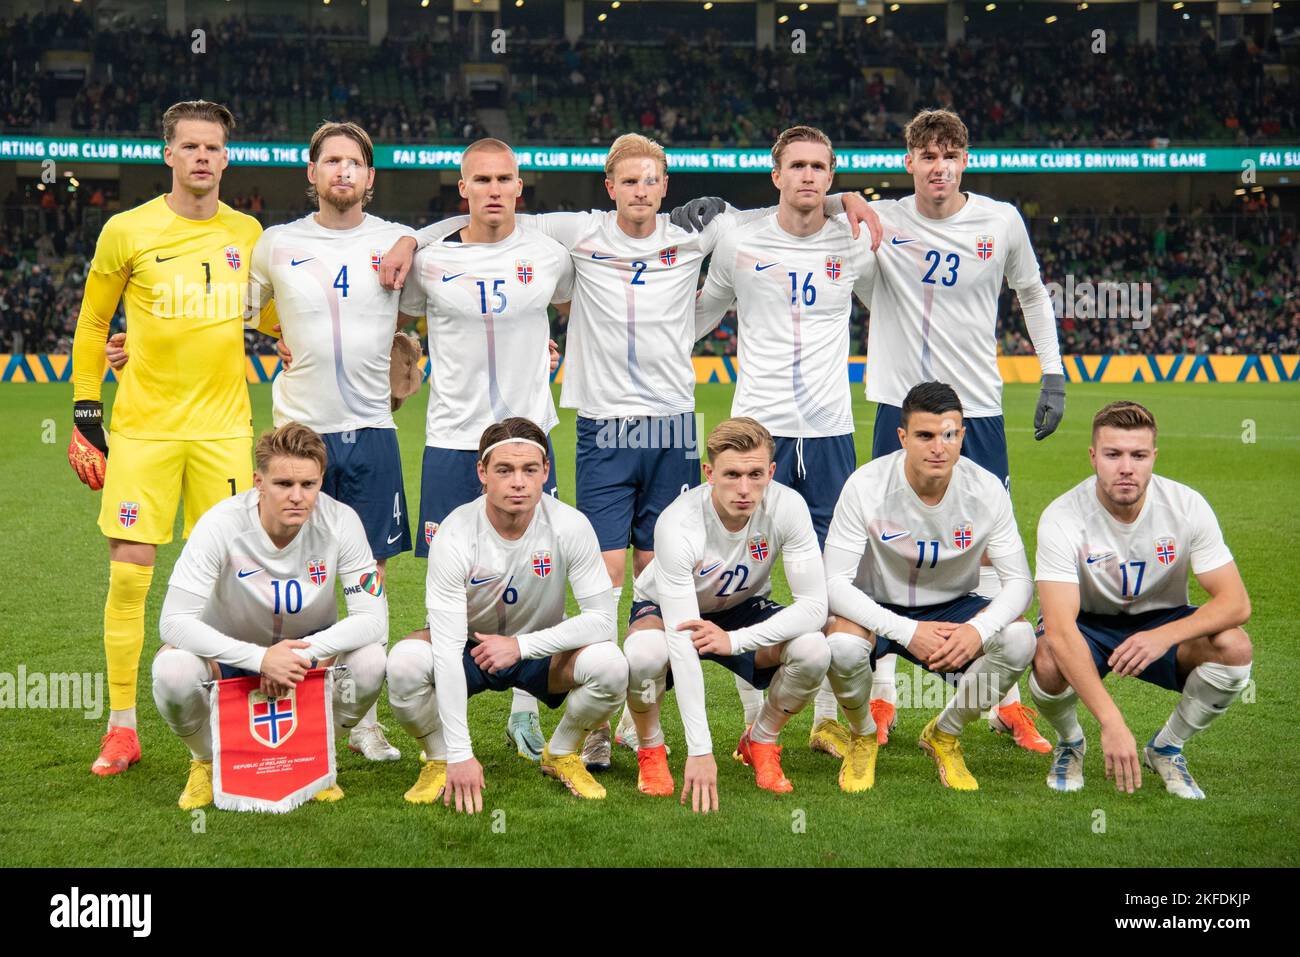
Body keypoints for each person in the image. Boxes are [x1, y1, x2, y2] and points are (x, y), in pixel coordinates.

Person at [380, 133, 881, 770]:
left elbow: (782, 208)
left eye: (652, 181)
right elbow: (488, 214)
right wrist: (411, 239)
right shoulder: (580, 234)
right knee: (606, 573)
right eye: (629, 181)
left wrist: (842, 199)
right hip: (604, 428)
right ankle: (597, 707)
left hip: (673, 426)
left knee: (665, 574)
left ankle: (666, 717)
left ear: (665, 187)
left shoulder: (697, 233)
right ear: (609, 187)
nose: (641, 191)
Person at [106, 120, 417, 762]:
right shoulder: (275, 243)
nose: (341, 172)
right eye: (329, 161)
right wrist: (141, 340)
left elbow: (461, 260)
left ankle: (353, 719)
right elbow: (224, 312)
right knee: (287, 558)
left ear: (370, 175)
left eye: (353, 163)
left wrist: (416, 236)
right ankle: (257, 675)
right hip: (298, 438)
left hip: (374, 432)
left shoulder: (393, 241)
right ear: (312, 173)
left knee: (366, 572)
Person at [67, 100, 275, 777]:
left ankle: (234, 720)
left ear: (226, 156)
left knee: (235, 581)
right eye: (190, 147)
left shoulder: (247, 231)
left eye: (213, 147)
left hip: (222, 431)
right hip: (145, 430)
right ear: (169, 154)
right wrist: (85, 414)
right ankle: (122, 727)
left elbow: (277, 314)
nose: (202, 158)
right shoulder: (125, 230)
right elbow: (94, 323)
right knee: (130, 572)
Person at [857, 109, 1064, 750]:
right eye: (927, 154)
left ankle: (1001, 697)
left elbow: (1032, 292)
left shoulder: (1000, 221)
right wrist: (844, 198)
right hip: (897, 403)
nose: (939, 165)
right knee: (879, 546)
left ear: (964, 161)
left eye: (950, 154)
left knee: (991, 550)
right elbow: (819, 219)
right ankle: (883, 698)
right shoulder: (881, 219)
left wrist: (1052, 373)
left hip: (974, 407)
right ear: (910, 162)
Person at [693, 125, 875, 760]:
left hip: (829, 434)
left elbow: (896, 304)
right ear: (776, 176)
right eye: (795, 165)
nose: (806, 176)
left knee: (831, 575)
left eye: (819, 168)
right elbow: (701, 312)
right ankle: (754, 719)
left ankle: (829, 714)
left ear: (830, 177)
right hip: (757, 435)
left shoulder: (853, 242)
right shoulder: (741, 241)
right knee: (748, 574)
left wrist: (851, 201)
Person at [395, 138, 573, 762]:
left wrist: (561, 358)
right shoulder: (428, 262)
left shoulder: (549, 254)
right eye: (481, 180)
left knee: (539, 576)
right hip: (451, 439)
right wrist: (414, 238)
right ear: (462, 188)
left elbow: (592, 302)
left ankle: (526, 706)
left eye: (505, 179)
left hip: (529, 439)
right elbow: (388, 315)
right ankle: (447, 724)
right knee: (449, 580)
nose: (494, 190)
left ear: (520, 187)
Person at [384, 418, 628, 811]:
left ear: (545, 471)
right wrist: (462, 753)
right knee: (403, 665)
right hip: (468, 647)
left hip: (538, 651)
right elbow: (445, 648)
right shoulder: (456, 532)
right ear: (482, 473)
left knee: (612, 666)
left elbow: (602, 621)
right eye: (504, 470)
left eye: (530, 469)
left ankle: (561, 752)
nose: (519, 482)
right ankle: (440, 757)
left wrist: (521, 645)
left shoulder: (570, 525)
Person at [151, 423, 389, 809]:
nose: (297, 497)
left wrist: (303, 654)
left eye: (309, 485)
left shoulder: (342, 521)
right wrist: (260, 659)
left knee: (371, 659)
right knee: (171, 671)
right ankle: (206, 761)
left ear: (321, 481)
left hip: (307, 658)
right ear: (258, 481)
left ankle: (317, 756)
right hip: (228, 656)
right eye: (283, 484)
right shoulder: (220, 523)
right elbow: (173, 622)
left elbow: (372, 619)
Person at [1030, 401, 1252, 799]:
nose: (1126, 467)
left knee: (1234, 647)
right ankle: (1070, 742)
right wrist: (1111, 722)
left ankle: (1166, 747)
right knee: (1046, 657)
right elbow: (1061, 630)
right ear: (1094, 457)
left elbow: (1236, 603)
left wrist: (1163, 636)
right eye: (1113, 455)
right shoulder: (1062, 516)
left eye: (1138, 455)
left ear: (1154, 457)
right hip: (1087, 623)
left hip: (1161, 621)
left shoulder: (1186, 506)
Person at [823, 382, 1037, 791]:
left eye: (949, 434)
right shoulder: (866, 486)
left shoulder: (986, 489)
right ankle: (863, 734)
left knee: (1019, 639)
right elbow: (833, 583)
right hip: (878, 605)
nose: (939, 447)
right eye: (924, 435)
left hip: (952, 607)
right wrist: (906, 631)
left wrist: (978, 629)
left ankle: (945, 733)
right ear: (902, 437)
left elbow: (1019, 583)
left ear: (962, 435)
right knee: (842, 647)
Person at [624, 417, 829, 811]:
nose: (744, 488)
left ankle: (761, 740)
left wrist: (733, 641)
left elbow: (815, 607)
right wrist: (700, 751)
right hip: (670, 608)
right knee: (644, 655)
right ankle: (651, 747)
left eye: (755, 474)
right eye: (731, 475)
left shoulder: (788, 506)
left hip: (742, 608)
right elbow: (684, 643)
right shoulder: (678, 523)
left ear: (771, 471)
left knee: (813, 650)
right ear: (709, 473)